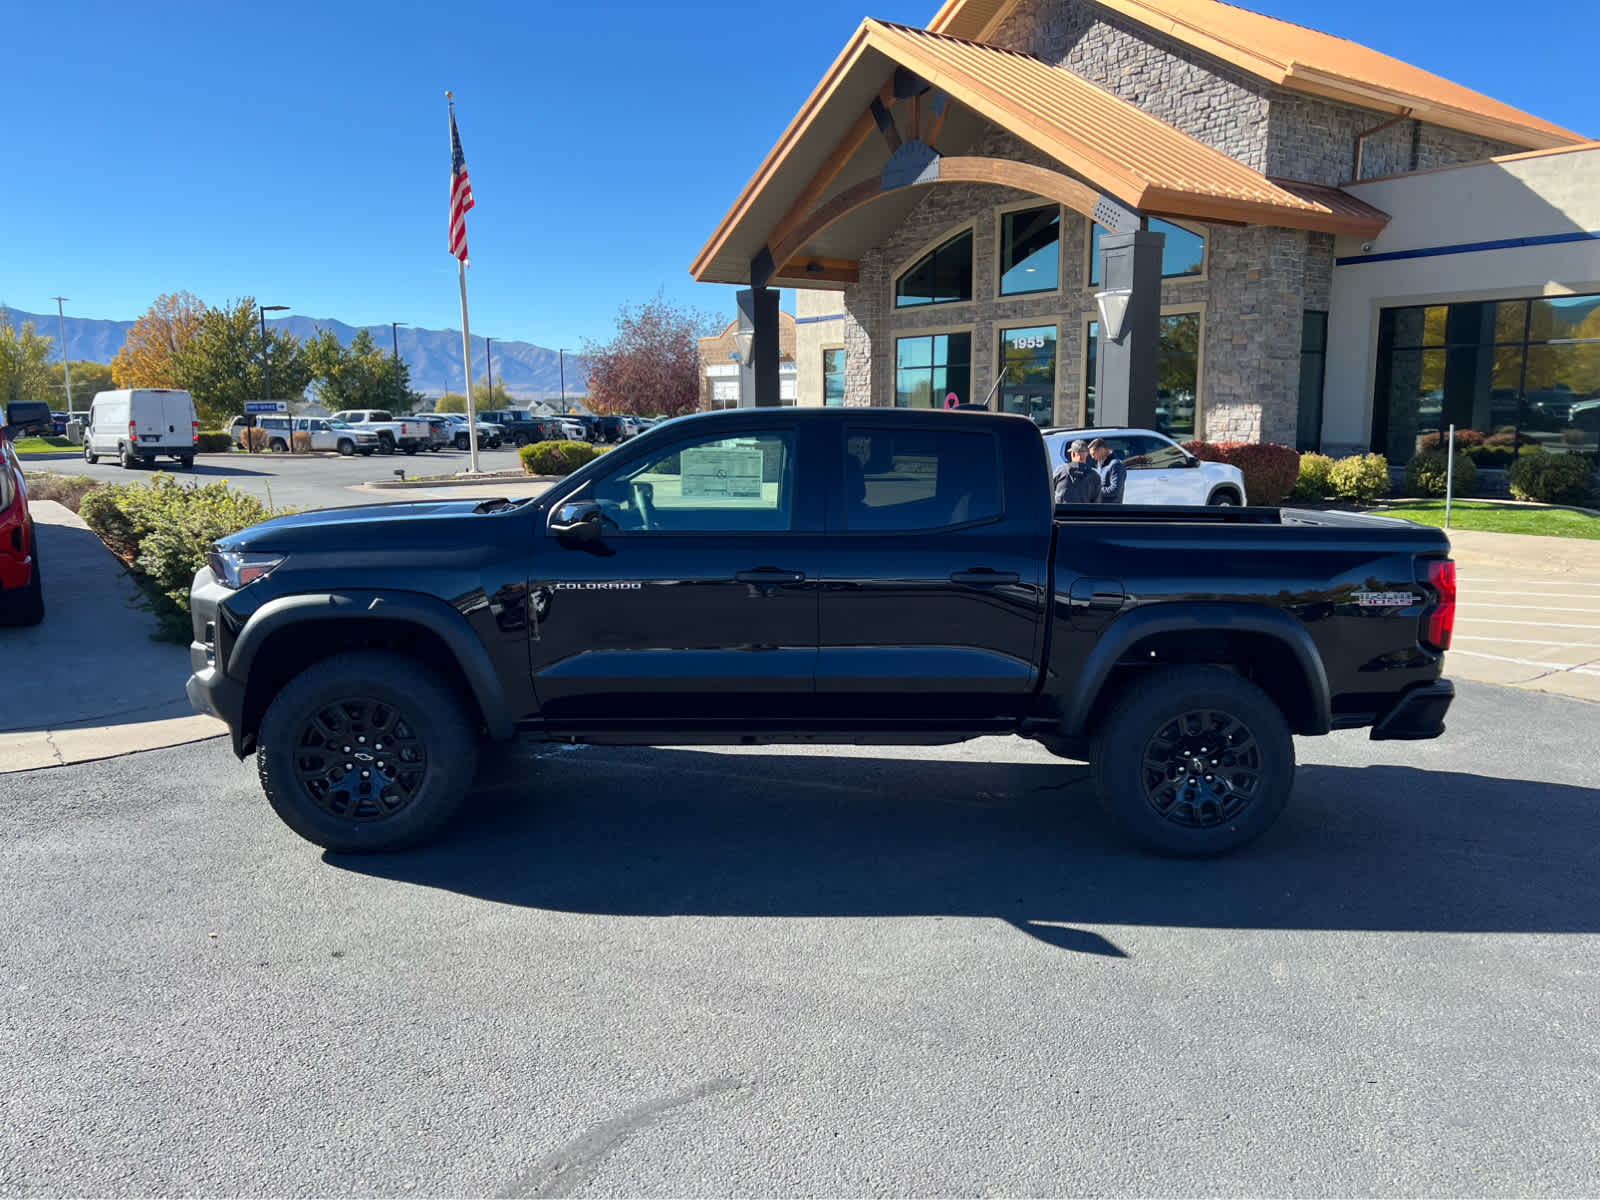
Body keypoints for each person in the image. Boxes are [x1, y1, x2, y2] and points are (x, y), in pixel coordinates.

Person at [1053, 439, 1102, 504]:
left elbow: (1048, 492)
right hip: (1084, 513)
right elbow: (1097, 504)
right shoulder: (1095, 476)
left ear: (1073, 454)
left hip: (1061, 513)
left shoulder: (1061, 471)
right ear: (1087, 454)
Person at [1089, 437, 1126, 504]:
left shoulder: (1116, 465)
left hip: (1111, 509)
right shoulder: (1101, 464)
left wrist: (1094, 492)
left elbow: (1115, 490)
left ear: (1101, 450)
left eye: (1093, 454)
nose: (1092, 457)